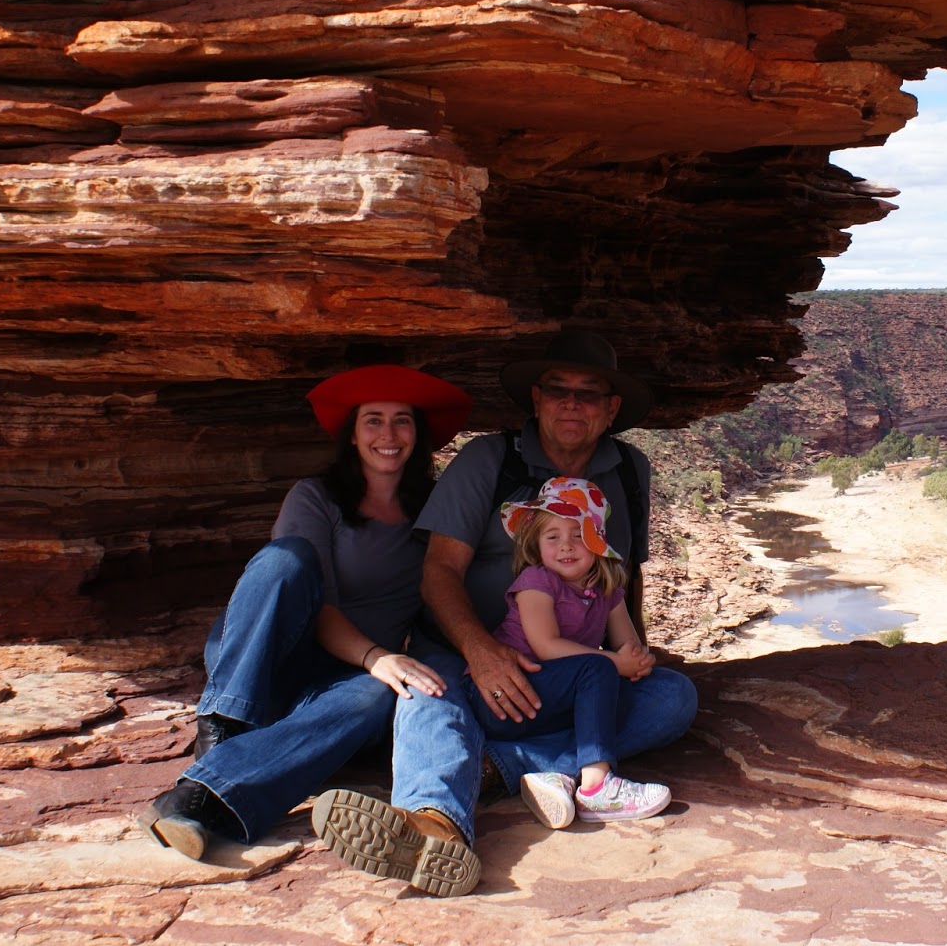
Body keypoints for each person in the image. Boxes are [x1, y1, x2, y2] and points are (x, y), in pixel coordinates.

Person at [313, 331, 697, 896]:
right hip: (472, 644)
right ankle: (434, 825)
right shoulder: (488, 460)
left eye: (588, 394)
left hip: (574, 666)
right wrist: (482, 651)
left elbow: (624, 575)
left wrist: (631, 652)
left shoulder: (629, 469)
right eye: (558, 390)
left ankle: (500, 768)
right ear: (536, 400)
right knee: (428, 691)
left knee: (672, 696)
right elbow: (439, 571)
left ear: (611, 409)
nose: (571, 403)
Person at [138, 364, 473, 878]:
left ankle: (202, 798)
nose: (388, 435)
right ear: (352, 433)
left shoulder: (434, 511)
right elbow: (315, 607)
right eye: (373, 420)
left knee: (385, 692)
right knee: (285, 559)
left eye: (402, 421)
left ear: (418, 433)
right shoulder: (315, 496)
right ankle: (225, 726)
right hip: (271, 657)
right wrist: (376, 655)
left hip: (345, 680)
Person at [482, 476, 671, 827]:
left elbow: (626, 644)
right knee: (596, 668)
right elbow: (545, 646)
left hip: (562, 701)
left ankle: (555, 771)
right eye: (552, 537)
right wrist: (616, 663)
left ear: (597, 541)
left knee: (673, 694)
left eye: (578, 535)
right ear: (537, 545)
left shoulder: (607, 585)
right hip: (510, 696)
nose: (566, 547)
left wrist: (638, 661)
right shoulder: (537, 581)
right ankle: (596, 787)